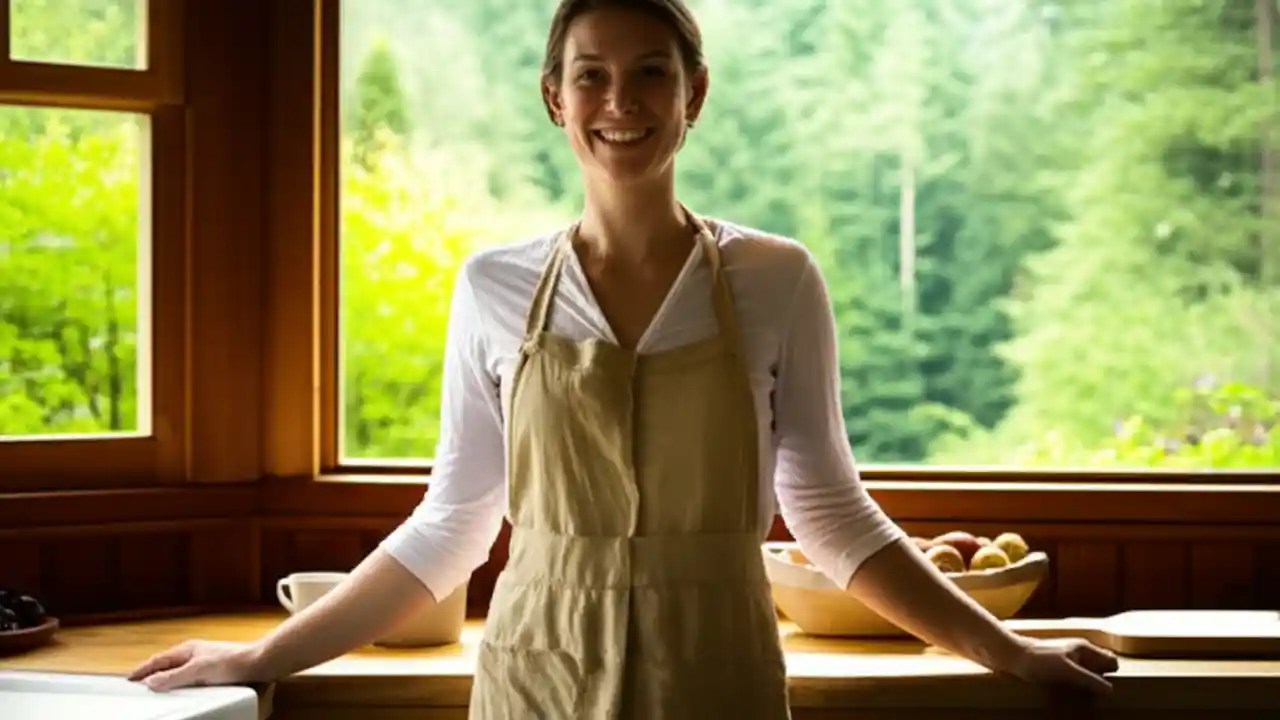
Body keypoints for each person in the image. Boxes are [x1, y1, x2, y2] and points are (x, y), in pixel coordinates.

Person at [130, 0, 1119, 716]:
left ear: (693, 93)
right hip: (536, 676)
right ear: (552, 97)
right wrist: (260, 659)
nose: (620, 100)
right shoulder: (492, 288)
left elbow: (827, 515)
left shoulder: (776, 280)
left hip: (716, 675)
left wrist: (1014, 654)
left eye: (650, 70)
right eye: (591, 73)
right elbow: (449, 528)